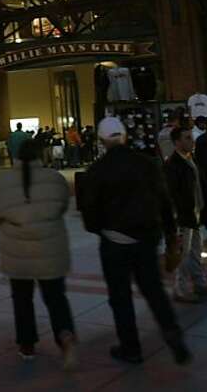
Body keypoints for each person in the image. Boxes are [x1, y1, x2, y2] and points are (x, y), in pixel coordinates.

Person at [81, 116, 191, 366]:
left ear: (101, 140)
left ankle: (131, 348)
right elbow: (164, 202)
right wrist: (170, 233)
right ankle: (172, 332)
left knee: (120, 297)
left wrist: (103, 229)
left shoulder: (96, 171)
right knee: (153, 290)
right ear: (124, 136)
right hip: (146, 238)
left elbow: (90, 214)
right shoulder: (147, 164)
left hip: (114, 241)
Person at [0, 138, 77, 367]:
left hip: (17, 252)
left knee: (22, 300)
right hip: (50, 250)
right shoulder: (55, 179)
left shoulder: (1, 182)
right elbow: (61, 206)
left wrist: (8, 225)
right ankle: (65, 335)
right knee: (55, 297)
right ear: (40, 155)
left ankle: (27, 345)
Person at [164, 128, 207, 303]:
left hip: (195, 212)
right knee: (183, 253)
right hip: (184, 215)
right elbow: (172, 194)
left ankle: (199, 282)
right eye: (187, 138)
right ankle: (180, 289)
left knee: (195, 250)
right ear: (177, 142)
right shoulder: (173, 165)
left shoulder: (189, 160)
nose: (191, 141)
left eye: (191, 138)